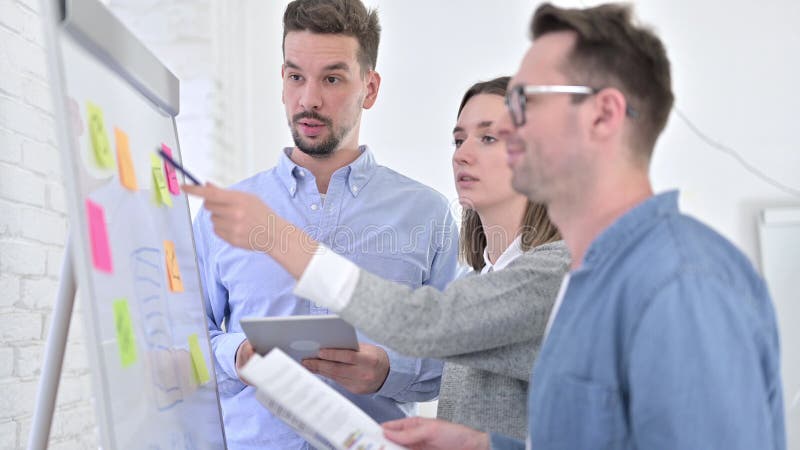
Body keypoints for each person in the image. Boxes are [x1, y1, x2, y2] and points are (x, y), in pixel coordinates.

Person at [187, 2, 786, 449]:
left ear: (603, 115)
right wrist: (483, 446)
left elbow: (429, 324)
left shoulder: (682, 279)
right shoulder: (592, 274)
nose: (497, 139)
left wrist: (278, 239)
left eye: (524, 106)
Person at [189, 76, 570, 440]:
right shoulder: (478, 280)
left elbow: (427, 325)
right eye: (458, 139)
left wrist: (283, 242)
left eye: (488, 138)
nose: (462, 155)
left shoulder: (557, 274)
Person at [191, 0, 459, 448]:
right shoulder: (228, 215)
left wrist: (388, 370)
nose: (309, 99)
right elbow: (184, 339)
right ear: (282, 81)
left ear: (369, 89)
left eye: (332, 79)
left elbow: (453, 359)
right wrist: (234, 355)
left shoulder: (426, 215)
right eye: (296, 76)